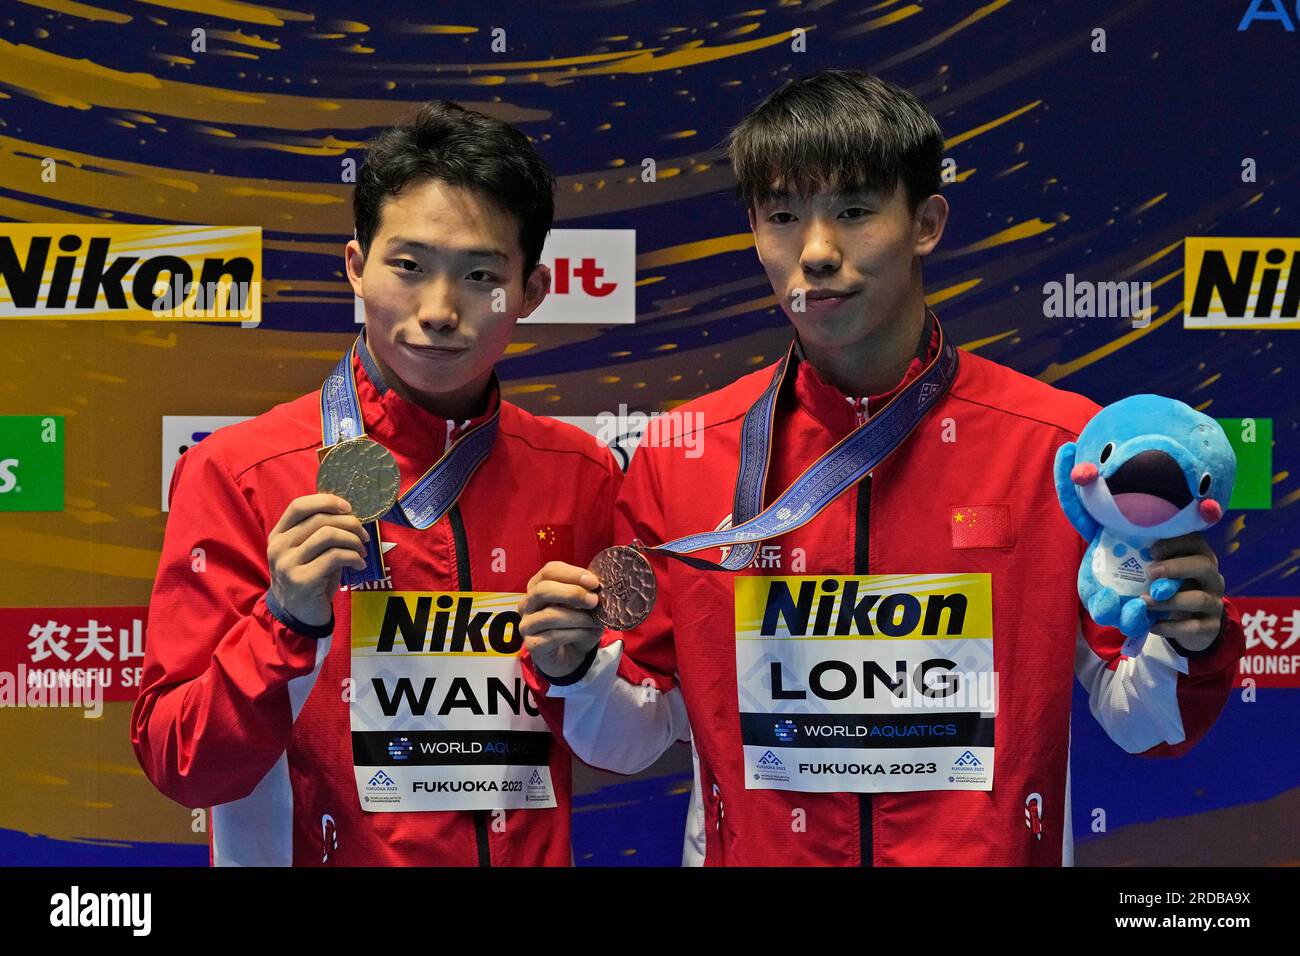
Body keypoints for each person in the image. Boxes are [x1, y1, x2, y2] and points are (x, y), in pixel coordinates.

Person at [516, 70, 1246, 866]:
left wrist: (1185, 643)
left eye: (855, 212)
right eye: (783, 217)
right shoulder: (682, 452)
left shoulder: (1059, 449)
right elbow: (632, 736)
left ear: (926, 222)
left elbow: (1142, 721)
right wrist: (576, 666)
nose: (818, 252)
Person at [132, 101, 622, 866]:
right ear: (356, 266)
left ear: (531, 291)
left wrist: (582, 672)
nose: (438, 311)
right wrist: (285, 621)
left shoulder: (581, 476)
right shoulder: (240, 471)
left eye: (481, 276)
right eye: (409, 266)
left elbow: (628, 741)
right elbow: (183, 764)